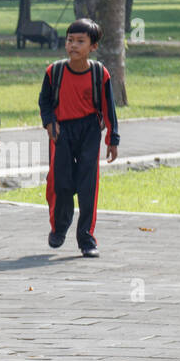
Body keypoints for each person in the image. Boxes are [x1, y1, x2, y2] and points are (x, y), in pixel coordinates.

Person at [38, 18, 119, 258]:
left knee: (87, 185)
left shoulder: (99, 73)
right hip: (61, 131)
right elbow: (44, 101)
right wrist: (49, 121)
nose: (73, 45)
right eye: (70, 40)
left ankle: (86, 238)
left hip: (89, 132)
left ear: (93, 46)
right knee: (60, 183)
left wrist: (112, 139)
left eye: (80, 41)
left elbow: (108, 107)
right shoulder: (55, 71)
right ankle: (59, 227)